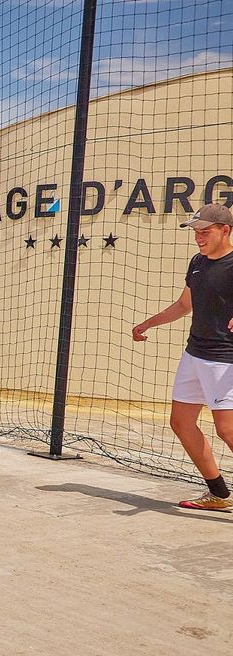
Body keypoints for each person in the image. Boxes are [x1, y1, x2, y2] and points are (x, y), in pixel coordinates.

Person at [133, 202, 233, 511]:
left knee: (227, 429)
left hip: (225, 359)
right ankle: (218, 493)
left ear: (225, 230)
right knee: (181, 422)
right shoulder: (197, 262)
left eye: (205, 231)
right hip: (194, 354)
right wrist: (148, 323)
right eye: (196, 232)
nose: (198, 238)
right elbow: (183, 305)